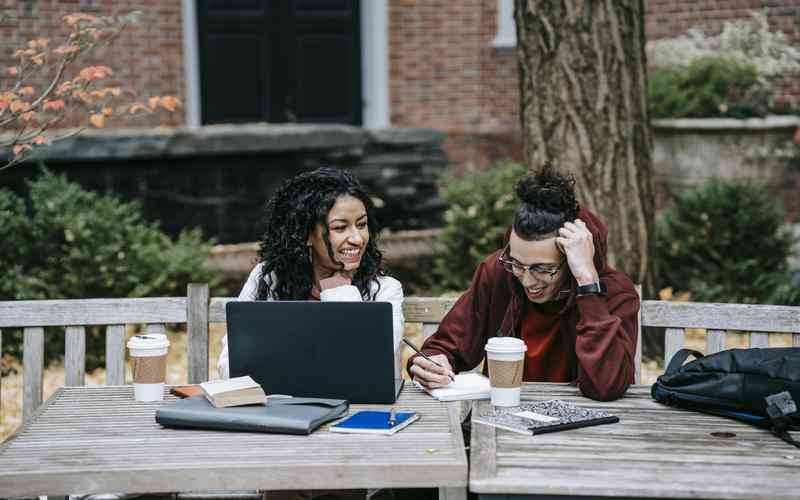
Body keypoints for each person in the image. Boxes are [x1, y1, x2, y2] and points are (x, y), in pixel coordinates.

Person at [408, 167, 639, 401]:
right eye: (517, 264)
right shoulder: (498, 272)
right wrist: (432, 362)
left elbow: (607, 386)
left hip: (583, 430)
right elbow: (448, 345)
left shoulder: (613, 292)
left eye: (543, 269)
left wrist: (588, 284)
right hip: (503, 416)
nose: (527, 281)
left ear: (573, 261)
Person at [217, 166, 404, 380]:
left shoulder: (385, 291)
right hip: (281, 408)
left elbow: (366, 365)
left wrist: (341, 292)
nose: (358, 238)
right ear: (305, 235)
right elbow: (230, 367)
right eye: (340, 228)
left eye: (361, 225)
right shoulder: (268, 279)